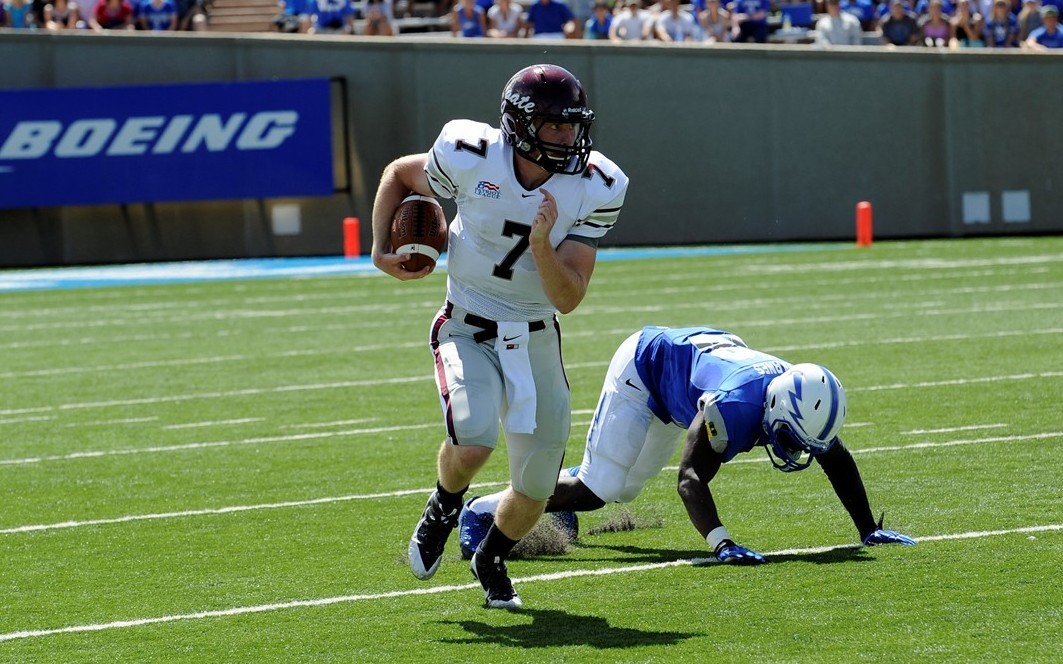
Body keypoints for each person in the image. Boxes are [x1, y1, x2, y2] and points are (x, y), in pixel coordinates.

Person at [370, 64, 628, 609]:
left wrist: (541, 248)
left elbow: (569, 297)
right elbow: (398, 173)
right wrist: (379, 249)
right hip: (467, 322)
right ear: (517, 125)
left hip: (536, 331)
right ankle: (443, 506)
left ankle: (491, 557)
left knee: (536, 488)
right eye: (554, 125)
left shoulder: (598, 185)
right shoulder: (469, 153)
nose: (568, 136)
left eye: (573, 125)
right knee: (474, 435)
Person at [459, 326, 917, 565]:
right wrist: (722, 543)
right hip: (643, 370)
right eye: (790, 439)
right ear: (774, 410)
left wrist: (866, 529)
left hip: (681, 382)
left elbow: (834, 457)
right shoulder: (733, 407)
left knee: (624, 491)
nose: (795, 450)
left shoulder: (797, 400)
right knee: (601, 488)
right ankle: (482, 510)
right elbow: (690, 479)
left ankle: (555, 506)